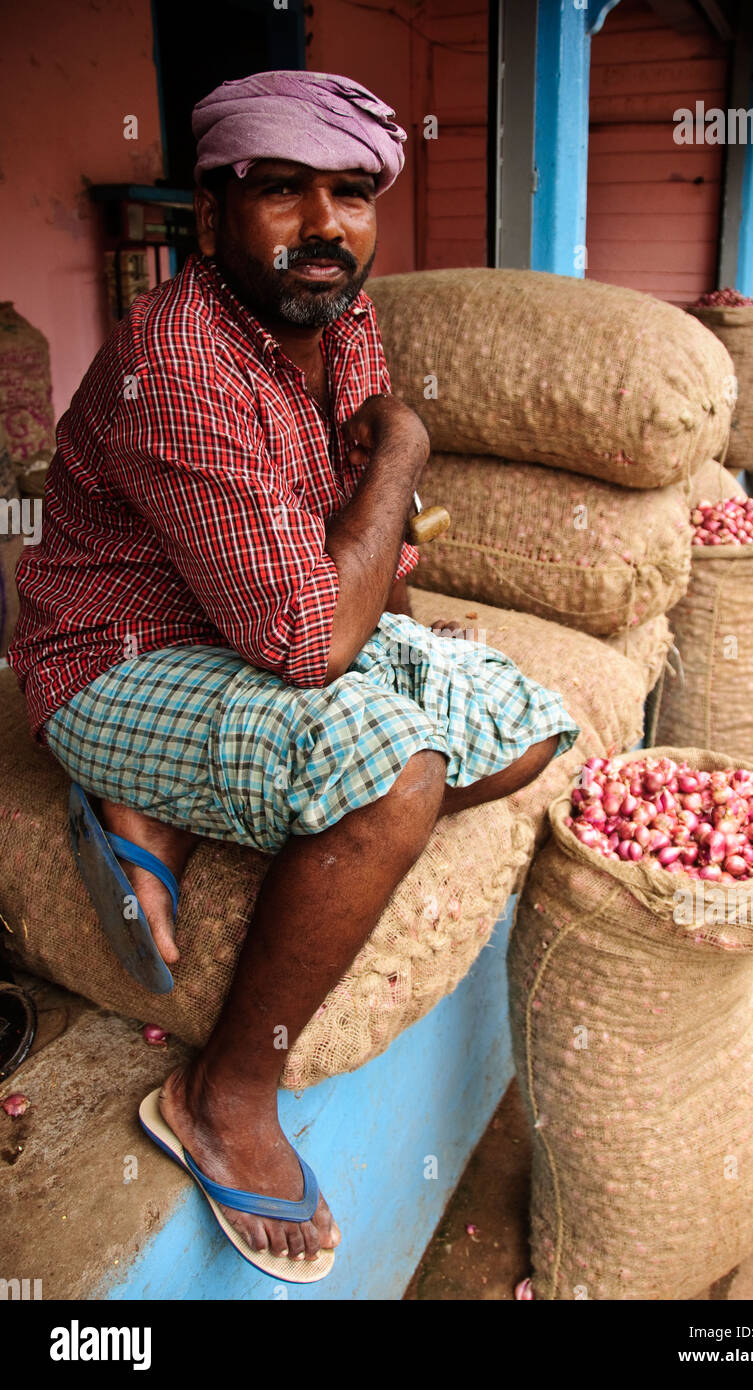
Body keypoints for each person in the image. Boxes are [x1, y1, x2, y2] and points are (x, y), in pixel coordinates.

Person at [8, 71, 579, 1279]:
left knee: (530, 729)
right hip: (119, 656)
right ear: (211, 216)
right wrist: (408, 449)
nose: (324, 224)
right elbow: (311, 641)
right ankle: (222, 1092)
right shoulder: (182, 364)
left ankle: (165, 814)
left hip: (256, 621)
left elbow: (356, 543)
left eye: (352, 192)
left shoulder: (337, 314)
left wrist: (413, 645)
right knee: (395, 778)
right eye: (282, 190)